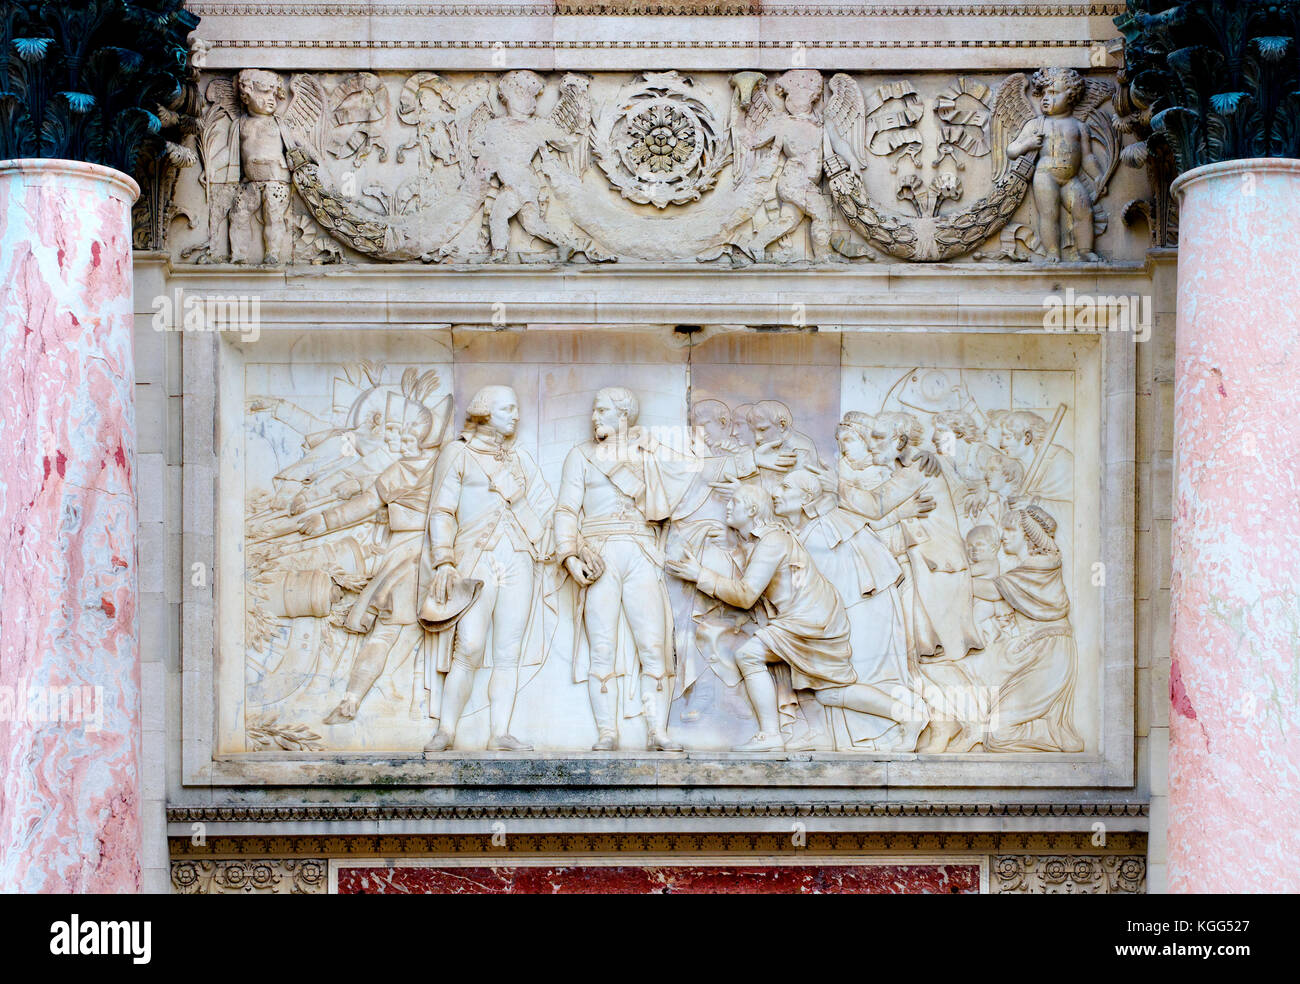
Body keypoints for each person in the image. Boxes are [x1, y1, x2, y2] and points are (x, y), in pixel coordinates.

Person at [667, 484, 906, 752]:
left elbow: (746, 595)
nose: (728, 507)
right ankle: (909, 715)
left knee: (748, 655)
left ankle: (770, 735)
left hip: (810, 619)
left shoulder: (772, 541)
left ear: (753, 510)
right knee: (830, 692)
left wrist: (701, 575)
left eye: (735, 502)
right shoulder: (762, 540)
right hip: (813, 616)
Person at [419, 385, 556, 752]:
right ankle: (446, 730)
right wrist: (444, 559)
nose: (516, 415)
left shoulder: (521, 460)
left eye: (516, 408)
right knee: (471, 647)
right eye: (508, 408)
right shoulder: (459, 453)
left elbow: (545, 508)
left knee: (509, 650)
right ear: (485, 412)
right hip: (476, 560)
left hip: (517, 558)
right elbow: (442, 511)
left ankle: (500, 733)